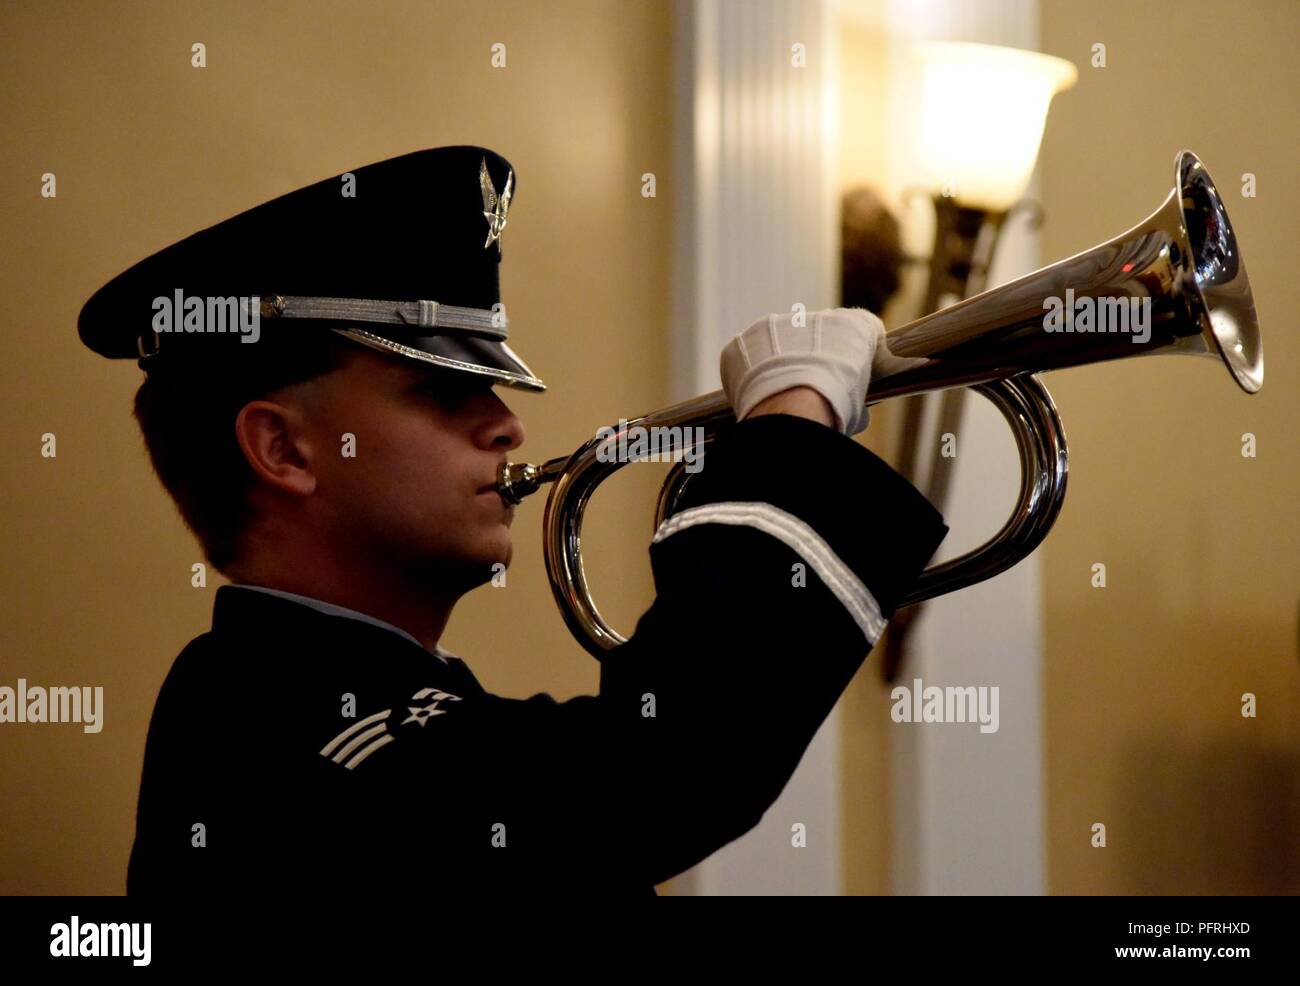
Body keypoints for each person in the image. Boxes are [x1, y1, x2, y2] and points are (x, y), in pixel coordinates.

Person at [78, 145, 948, 896]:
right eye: (445, 391)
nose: (507, 426)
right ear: (287, 450)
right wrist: (792, 423)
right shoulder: (261, 721)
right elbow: (659, 769)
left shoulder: (388, 703)